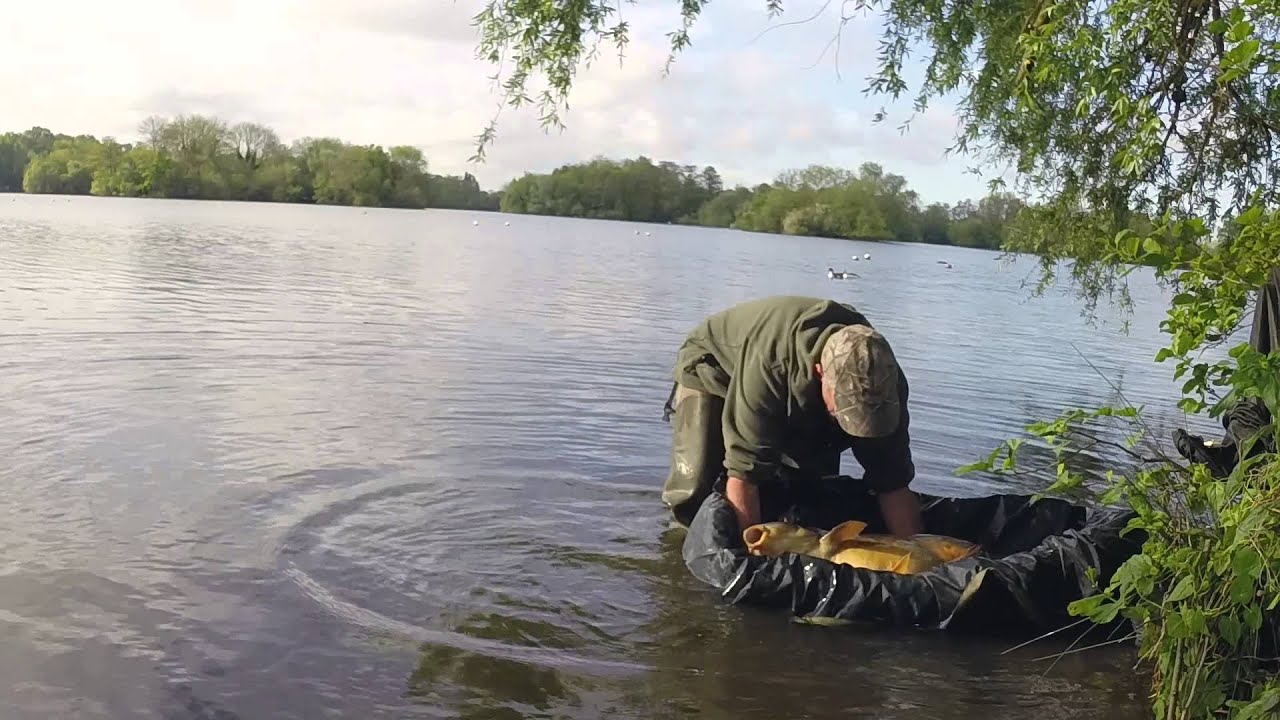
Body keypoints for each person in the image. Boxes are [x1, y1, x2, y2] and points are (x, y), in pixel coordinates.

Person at [660, 295, 924, 538]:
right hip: (714, 370)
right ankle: (679, 554)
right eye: (845, 409)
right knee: (696, 488)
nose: (855, 422)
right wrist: (753, 563)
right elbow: (744, 473)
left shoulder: (887, 380)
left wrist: (917, 557)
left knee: (808, 497)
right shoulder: (771, 366)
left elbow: (893, 482)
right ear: (820, 373)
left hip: (798, 391)